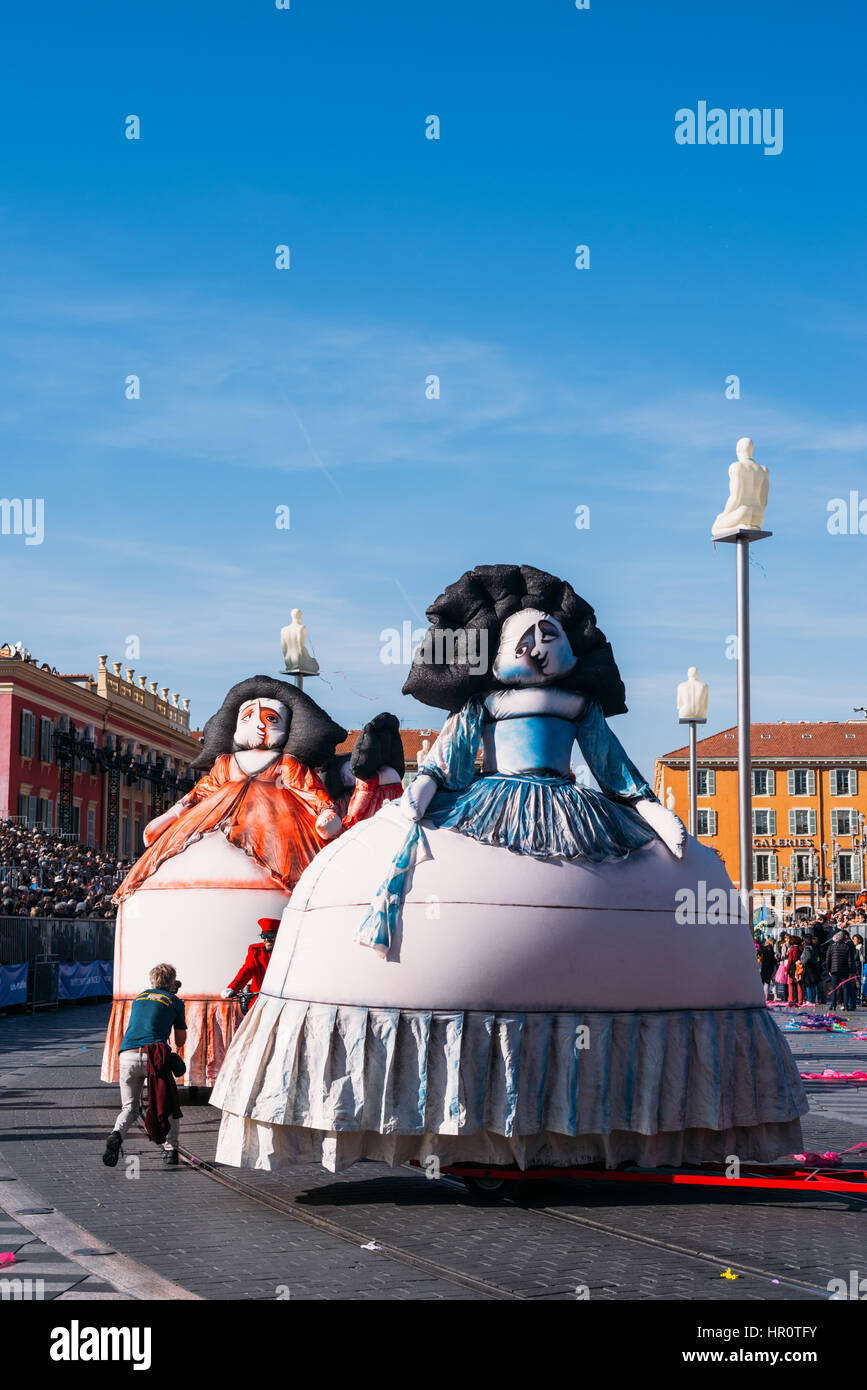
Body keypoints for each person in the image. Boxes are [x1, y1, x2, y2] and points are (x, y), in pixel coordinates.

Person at [102, 962, 186, 1168]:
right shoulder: (174, 1001)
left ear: (151, 980)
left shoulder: (139, 998)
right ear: (172, 982)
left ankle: (116, 1135)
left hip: (128, 1053)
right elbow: (181, 1039)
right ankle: (171, 1150)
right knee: (167, 1104)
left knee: (129, 1108)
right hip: (154, 1056)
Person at [223, 918, 280, 1008]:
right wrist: (233, 988)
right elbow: (247, 969)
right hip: (260, 1001)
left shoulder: (287, 952)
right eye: (263, 936)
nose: (266, 939)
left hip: (281, 1003)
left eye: (270, 935)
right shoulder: (256, 951)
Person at [825, 931, 855, 1013]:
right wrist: (850, 971)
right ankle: (845, 1005)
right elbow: (850, 960)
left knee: (834, 987)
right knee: (845, 988)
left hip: (834, 970)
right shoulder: (847, 947)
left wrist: (828, 970)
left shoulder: (831, 947)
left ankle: (833, 1004)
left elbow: (828, 959)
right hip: (844, 970)